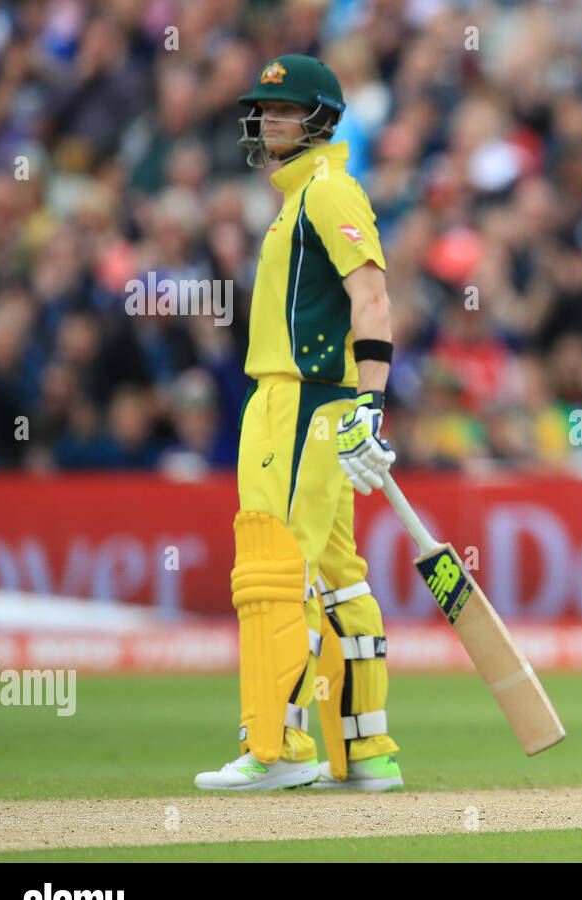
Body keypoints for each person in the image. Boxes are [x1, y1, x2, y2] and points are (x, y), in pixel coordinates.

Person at [194, 55, 403, 792]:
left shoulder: (328, 190)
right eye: (264, 110)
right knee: (340, 578)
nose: (266, 121)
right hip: (303, 402)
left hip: (306, 399)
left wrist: (369, 404)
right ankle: (365, 753)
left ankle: (278, 746)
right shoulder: (298, 198)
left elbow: (372, 298)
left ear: (319, 118)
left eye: (282, 110)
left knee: (275, 568)